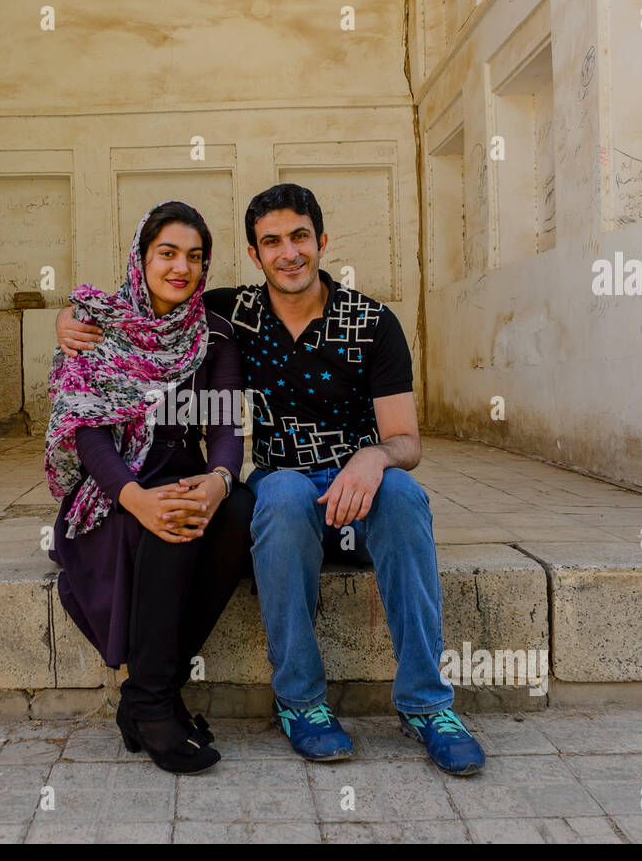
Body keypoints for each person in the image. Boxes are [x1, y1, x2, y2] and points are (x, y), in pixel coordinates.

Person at [56, 185, 486, 776]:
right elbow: (122, 335)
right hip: (279, 485)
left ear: (322, 242)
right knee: (275, 493)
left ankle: (428, 705)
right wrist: (72, 318)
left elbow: (405, 439)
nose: (289, 254)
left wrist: (374, 459)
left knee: (406, 498)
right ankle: (301, 703)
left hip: (359, 487)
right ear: (255, 256)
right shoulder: (232, 314)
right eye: (272, 242)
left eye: (300, 238)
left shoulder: (370, 323)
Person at [45, 200, 253, 775]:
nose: (180, 267)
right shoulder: (98, 327)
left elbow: (226, 426)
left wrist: (218, 481)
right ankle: (158, 705)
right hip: (114, 490)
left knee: (238, 512)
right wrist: (136, 497)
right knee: (166, 523)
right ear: (141, 258)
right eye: (167, 253)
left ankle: (145, 694)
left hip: (185, 476)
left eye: (194, 256)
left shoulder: (213, 335)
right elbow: (87, 434)